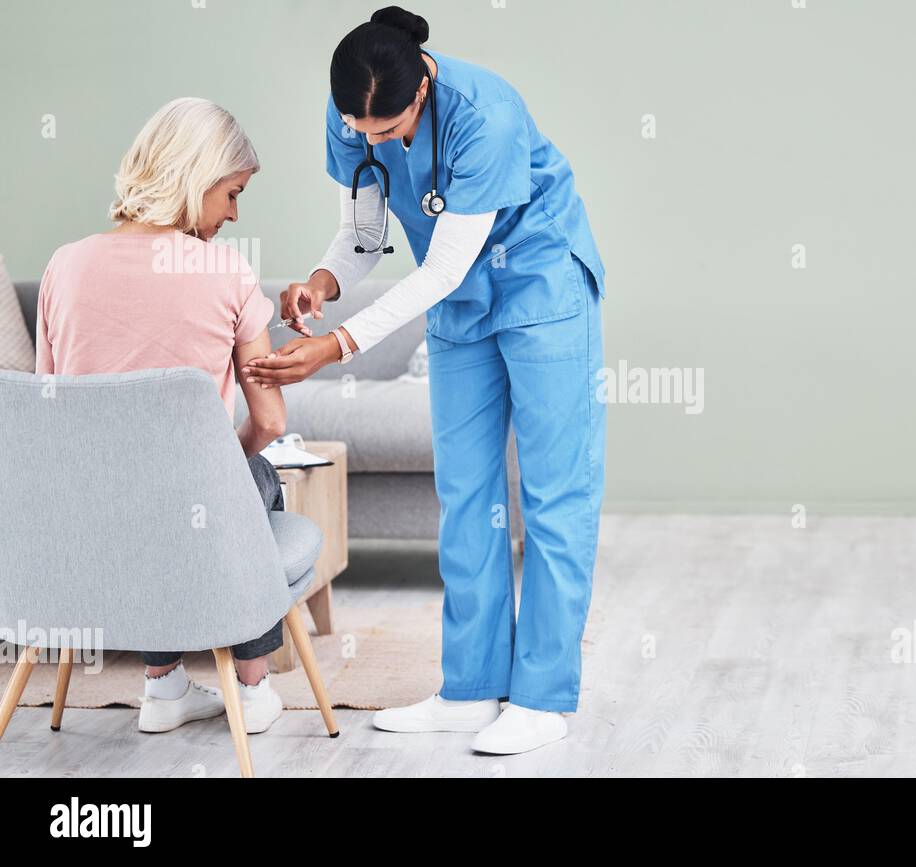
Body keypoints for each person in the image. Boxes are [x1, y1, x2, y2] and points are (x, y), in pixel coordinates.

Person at [242, 5, 607, 754]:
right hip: (462, 309)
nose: (372, 141)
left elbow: (442, 265)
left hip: (539, 288)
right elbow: (366, 234)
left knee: (552, 491)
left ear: (421, 90)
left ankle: (541, 696)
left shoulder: (486, 116)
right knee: (466, 495)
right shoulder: (355, 113)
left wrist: (335, 347)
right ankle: (470, 690)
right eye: (359, 131)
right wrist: (322, 281)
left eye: (388, 128)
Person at [34, 97, 290, 735]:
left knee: (141, 498)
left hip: (86, 515)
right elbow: (271, 423)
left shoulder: (63, 264)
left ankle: (164, 684)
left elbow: (48, 408)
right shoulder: (228, 271)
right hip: (191, 514)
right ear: (196, 178)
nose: (234, 213)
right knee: (255, 482)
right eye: (232, 193)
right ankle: (253, 687)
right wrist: (217, 461)